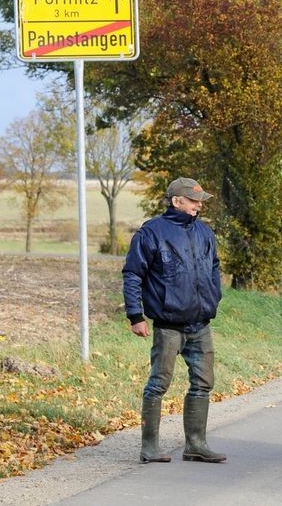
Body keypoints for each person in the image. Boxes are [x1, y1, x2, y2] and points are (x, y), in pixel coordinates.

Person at [122, 177, 227, 465]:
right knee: (158, 384)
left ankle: (196, 444)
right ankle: (149, 448)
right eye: (194, 200)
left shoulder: (205, 232)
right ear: (177, 201)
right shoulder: (151, 233)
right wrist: (135, 315)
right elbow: (133, 274)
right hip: (168, 325)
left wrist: (214, 297)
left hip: (201, 323)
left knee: (204, 383)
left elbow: (214, 267)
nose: (199, 205)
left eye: (200, 200)